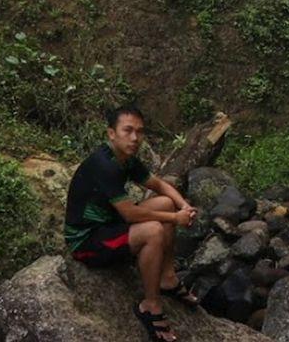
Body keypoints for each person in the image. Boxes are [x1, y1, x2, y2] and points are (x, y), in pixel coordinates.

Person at [65, 105, 201, 342]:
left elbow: (159, 185)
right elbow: (129, 214)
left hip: (109, 223)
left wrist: (183, 206)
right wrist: (175, 219)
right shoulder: (104, 165)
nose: (135, 138)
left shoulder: (127, 160)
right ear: (111, 134)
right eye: (127, 130)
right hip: (87, 241)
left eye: (139, 131)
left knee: (166, 203)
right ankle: (150, 305)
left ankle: (167, 278)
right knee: (153, 230)